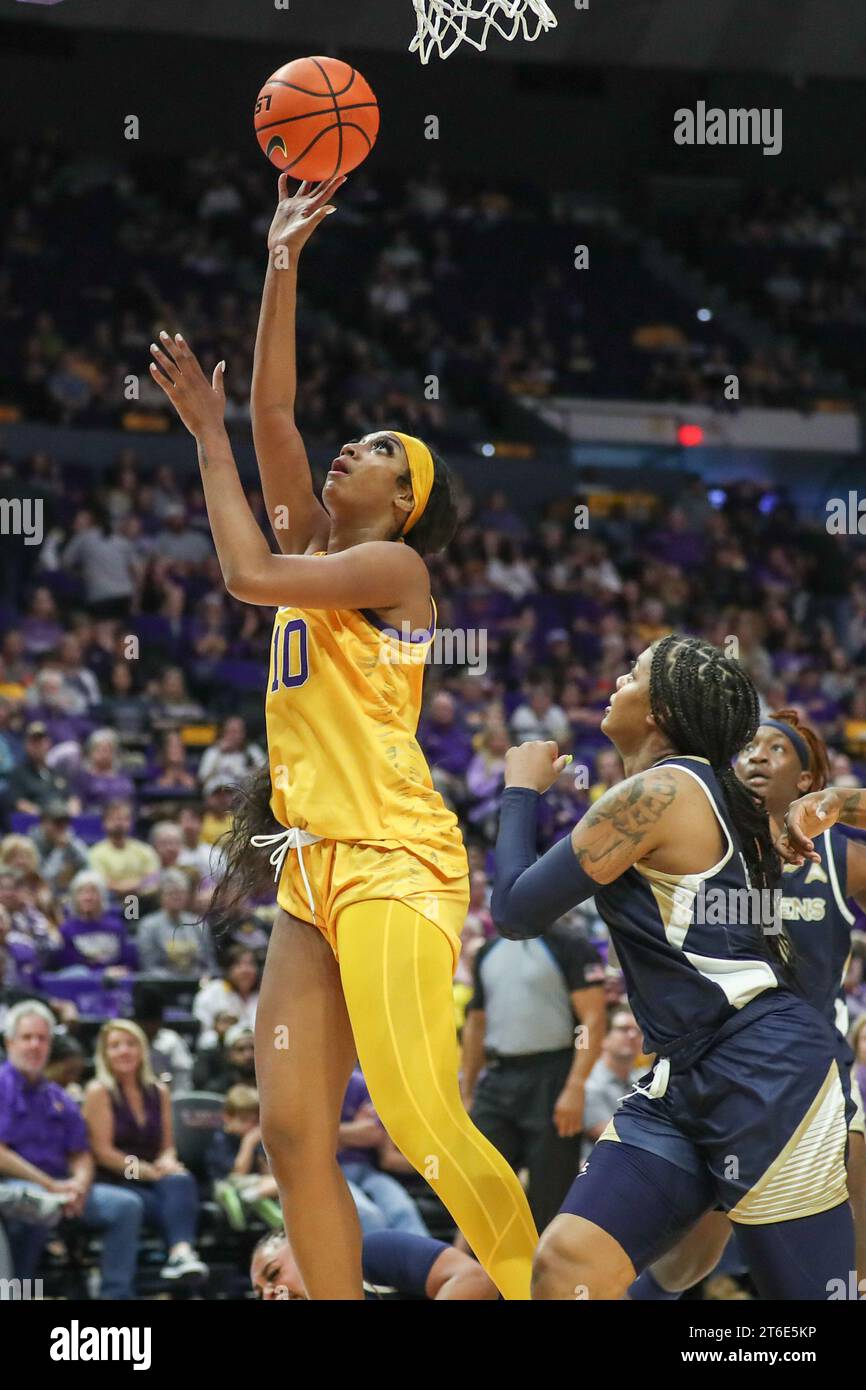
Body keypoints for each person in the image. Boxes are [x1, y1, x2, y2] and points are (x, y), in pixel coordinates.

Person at [148, 173, 537, 1300]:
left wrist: (205, 446)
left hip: (396, 859)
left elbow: (245, 572)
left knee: (416, 1114)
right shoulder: (322, 539)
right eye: (355, 438)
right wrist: (283, 258)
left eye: (377, 448)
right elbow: (276, 412)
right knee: (290, 1129)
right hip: (313, 865)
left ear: (404, 500)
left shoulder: (396, 570)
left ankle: (539, 1289)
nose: (348, 450)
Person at [492, 635, 855, 1300]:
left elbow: (514, 910)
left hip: (766, 1077)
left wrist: (519, 788)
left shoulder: (662, 792)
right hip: (687, 1075)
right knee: (569, 1262)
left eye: (631, 673)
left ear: (659, 709)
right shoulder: (705, 796)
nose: (616, 680)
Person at [634, 710, 866, 1299]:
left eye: (777, 750)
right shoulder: (704, 837)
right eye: (749, 747)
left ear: (807, 781)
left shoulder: (838, 858)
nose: (758, 756)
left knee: (850, 1233)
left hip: (815, 1072)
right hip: (719, 1067)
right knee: (686, 1261)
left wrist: (846, 803)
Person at [461, 919, 606, 1233]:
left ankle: (544, 1281)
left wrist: (576, 1085)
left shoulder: (570, 944)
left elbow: (591, 1020)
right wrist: (468, 1090)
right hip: (498, 1077)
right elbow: (476, 1023)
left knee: (550, 1197)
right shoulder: (488, 950)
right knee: (483, 1191)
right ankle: (487, 1280)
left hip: (553, 1075)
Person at [0, 1000, 144, 1297]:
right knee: (34, 1209)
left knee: (133, 1203)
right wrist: (51, 1186)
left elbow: (81, 1152)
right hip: (25, 1189)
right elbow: (1, 1152)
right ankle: (18, 1294)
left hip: (78, 1188)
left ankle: (118, 1294)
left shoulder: (60, 1096)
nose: (35, 1046)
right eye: (27, 1038)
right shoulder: (3, 1086)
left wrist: (78, 1185)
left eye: (42, 1038)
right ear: (9, 1042)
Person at [82, 1019, 208, 1282]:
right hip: (115, 1177)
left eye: (130, 1044)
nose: (124, 1051)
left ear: (142, 1050)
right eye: (115, 1046)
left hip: (154, 1176)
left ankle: (180, 1254)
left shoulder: (158, 1091)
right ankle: (180, 1256)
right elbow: (103, 1152)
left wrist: (167, 1161)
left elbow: (167, 1146)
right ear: (104, 1054)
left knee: (181, 1179)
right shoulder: (99, 1092)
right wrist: (147, 1171)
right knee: (158, 1203)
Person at [251, 1226, 498, 1301]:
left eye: (274, 1274)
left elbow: (474, 1280)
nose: (271, 1294)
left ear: (308, 1250)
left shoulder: (369, 1251)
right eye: (260, 1294)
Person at [337, 1069, 429, 1236]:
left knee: (403, 1209)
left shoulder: (361, 1083)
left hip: (368, 1170)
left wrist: (333, 1135)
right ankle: (382, 1262)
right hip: (329, 1171)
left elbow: (375, 1135)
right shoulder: (310, 1086)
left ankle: (423, 1261)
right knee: (368, 1214)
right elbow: (308, 1139)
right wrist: (354, 1132)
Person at [206, 1084, 283, 1231]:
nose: (250, 1126)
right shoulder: (221, 1139)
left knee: (282, 1180)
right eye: (244, 1120)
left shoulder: (257, 1141)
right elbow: (238, 1172)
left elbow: (266, 1171)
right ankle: (247, 1196)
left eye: (254, 1121)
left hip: (253, 1182)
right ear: (227, 1117)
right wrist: (248, 1143)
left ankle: (253, 1197)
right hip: (227, 1182)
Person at [582, 1010, 645, 1160]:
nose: (632, 1035)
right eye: (623, 1029)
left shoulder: (645, 1080)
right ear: (604, 1037)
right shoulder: (588, 1081)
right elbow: (606, 1132)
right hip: (602, 1162)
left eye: (639, 1031)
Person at [88, 800, 160, 898]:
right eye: (114, 818)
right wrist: (138, 883)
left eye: (123, 818)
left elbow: (153, 879)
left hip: (143, 901)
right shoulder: (95, 853)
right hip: (109, 902)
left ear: (130, 822)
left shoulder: (145, 850)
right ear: (104, 823)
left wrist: (121, 886)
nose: (119, 823)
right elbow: (102, 884)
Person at [192, 948, 259, 1050]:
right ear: (228, 969)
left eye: (251, 964)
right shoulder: (210, 993)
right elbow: (205, 1034)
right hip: (222, 1052)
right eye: (238, 965)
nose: (246, 970)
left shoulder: (264, 995)